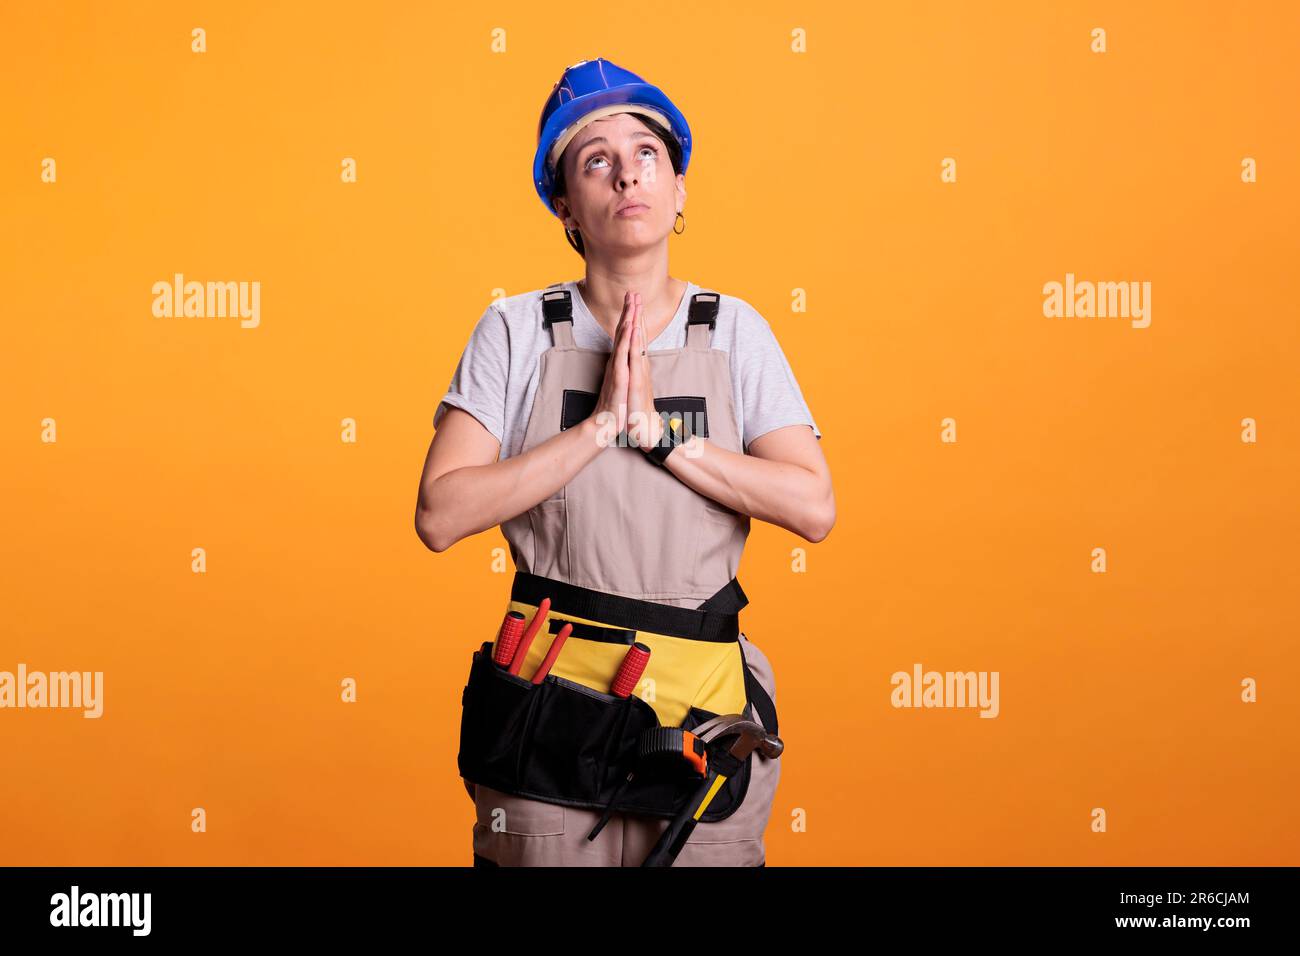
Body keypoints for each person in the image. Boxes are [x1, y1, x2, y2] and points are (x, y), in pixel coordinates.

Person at [415, 57, 834, 866]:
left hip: (703, 721)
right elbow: (440, 514)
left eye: (646, 153)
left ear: (679, 189)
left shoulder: (735, 331)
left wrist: (660, 436)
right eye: (595, 160)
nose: (626, 174)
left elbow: (813, 507)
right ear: (565, 206)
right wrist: (599, 427)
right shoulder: (515, 331)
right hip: (548, 714)